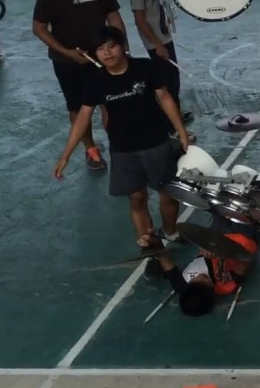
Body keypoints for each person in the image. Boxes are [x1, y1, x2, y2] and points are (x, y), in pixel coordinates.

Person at [53, 27, 191, 245]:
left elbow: (164, 98)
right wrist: (66, 155)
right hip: (123, 149)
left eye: (112, 46)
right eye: (100, 49)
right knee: (136, 199)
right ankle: (149, 244)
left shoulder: (146, 68)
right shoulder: (95, 82)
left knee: (169, 195)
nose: (107, 53)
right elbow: (83, 118)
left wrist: (181, 132)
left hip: (156, 143)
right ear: (95, 54)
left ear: (123, 47)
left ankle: (170, 231)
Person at [34, 0, 127, 172]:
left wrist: (121, 48)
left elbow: (114, 18)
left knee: (111, 102)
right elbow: (39, 27)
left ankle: (119, 147)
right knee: (78, 108)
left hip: (103, 58)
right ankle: (91, 149)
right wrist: (66, 52)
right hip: (68, 63)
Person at [122, 0, 192, 129]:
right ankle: (171, 125)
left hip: (162, 37)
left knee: (172, 81)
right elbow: (139, 20)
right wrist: (158, 44)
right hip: (157, 42)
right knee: (169, 84)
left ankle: (175, 115)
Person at [137, 217, 260, 317]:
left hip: (214, 236)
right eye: (206, 283)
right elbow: (247, 259)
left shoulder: (182, 285)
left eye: (196, 281)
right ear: (213, 292)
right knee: (243, 210)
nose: (202, 277)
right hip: (241, 239)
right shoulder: (226, 284)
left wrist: (152, 242)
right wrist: (222, 252)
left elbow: (162, 256)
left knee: (220, 204)